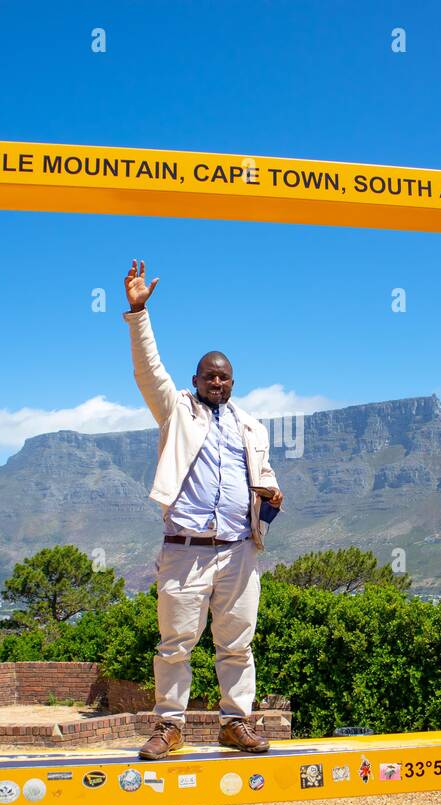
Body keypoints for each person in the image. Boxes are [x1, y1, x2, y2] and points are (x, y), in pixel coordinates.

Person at [121, 259, 284, 760]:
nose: (218, 382)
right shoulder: (177, 411)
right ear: (196, 379)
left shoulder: (251, 428)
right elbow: (149, 372)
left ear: (233, 383)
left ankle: (236, 722)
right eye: (210, 375)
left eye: (225, 377)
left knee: (237, 645)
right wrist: (138, 313)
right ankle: (169, 726)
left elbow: (267, 488)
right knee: (175, 644)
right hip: (185, 550)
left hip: (238, 552)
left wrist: (272, 505)